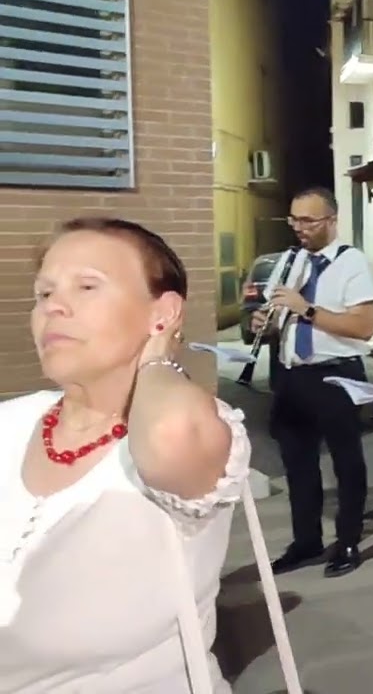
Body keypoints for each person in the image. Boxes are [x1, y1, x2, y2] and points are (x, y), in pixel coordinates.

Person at [0, 217, 249, 692]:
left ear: (162, 312)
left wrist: (158, 351)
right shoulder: (11, 423)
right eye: (44, 294)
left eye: (87, 286)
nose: (55, 307)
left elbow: (173, 433)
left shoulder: (184, 434)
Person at [257, 187, 373, 578]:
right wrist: (264, 323)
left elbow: (363, 327)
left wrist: (306, 308)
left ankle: (347, 541)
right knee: (297, 463)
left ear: (331, 220)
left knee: (346, 462)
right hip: (292, 374)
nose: (299, 229)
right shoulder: (290, 261)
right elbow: (277, 316)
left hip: (336, 373)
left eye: (308, 221)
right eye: (294, 220)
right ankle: (305, 540)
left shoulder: (351, 262)